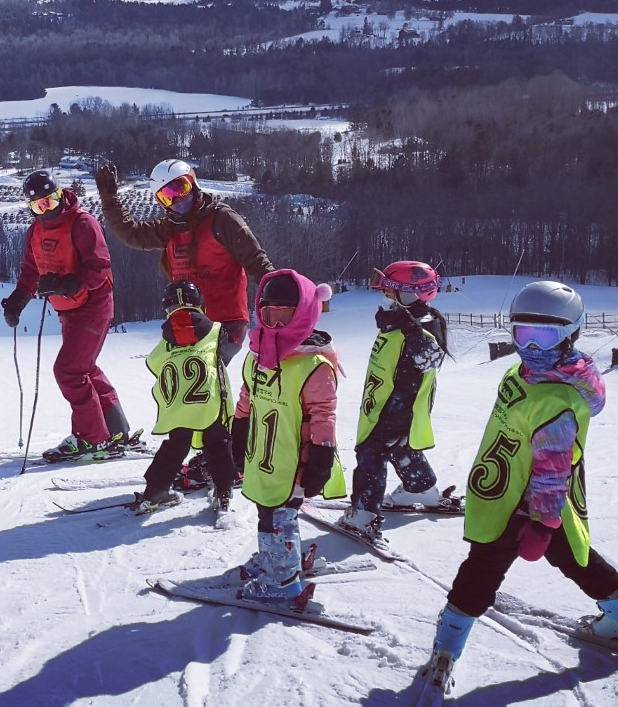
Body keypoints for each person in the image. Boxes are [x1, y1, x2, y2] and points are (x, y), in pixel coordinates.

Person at [420, 281, 618, 694]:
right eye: (522, 334)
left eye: (543, 336)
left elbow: (551, 470)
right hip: (512, 491)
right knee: (575, 560)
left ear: (571, 335)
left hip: (528, 509)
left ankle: (446, 648)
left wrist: (542, 524)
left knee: (481, 572)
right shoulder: (523, 373)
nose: (530, 347)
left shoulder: (557, 401)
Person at [0, 171, 133, 462]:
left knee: (69, 371)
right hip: (68, 311)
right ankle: (116, 429)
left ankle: (92, 439)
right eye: (38, 206)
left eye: (49, 202)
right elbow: (31, 272)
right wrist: (17, 301)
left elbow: (101, 267)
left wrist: (67, 284)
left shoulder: (83, 223)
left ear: (60, 195)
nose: (45, 210)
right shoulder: (35, 232)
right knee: (84, 368)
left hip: (92, 306)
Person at [230, 269, 339, 603]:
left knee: (280, 515)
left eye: (285, 315)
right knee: (268, 510)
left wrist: (322, 457)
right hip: (264, 458)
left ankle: (282, 580)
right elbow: (247, 398)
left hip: (296, 461)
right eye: (268, 315)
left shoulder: (314, 365)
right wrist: (239, 430)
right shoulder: (258, 355)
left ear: (305, 312)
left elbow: (324, 416)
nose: (275, 325)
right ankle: (274, 555)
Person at [94, 159, 273, 362]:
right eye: (167, 197)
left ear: (193, 183)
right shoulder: (170, 227)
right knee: (174, 378)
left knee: (202, 377)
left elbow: (255, 259)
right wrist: (109, 200)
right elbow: (133, 234)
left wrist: (279, 293)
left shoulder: (222, 219)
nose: (177, 199)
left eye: (181, 188)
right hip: (187, 323)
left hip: (226, 323)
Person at [340, 261, 450, 546]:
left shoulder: (418, 330)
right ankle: (420, 487)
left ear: (409, 295)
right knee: (401, 445)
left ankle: (364, 514)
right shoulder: (401, 323)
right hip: (390, 402)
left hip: (397, 406)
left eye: (390, 293)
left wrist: (394, 418)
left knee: (372, 451)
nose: (385, 299)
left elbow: (426, 362)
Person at [134, 282, 237, 516]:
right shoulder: (215, 329)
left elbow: (153, 362)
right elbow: (227, 348)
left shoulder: (167, 338)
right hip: (209, 400)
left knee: (175, 447)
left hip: (180, 403)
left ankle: (154, 493)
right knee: (218, 443)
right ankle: (224, 491)